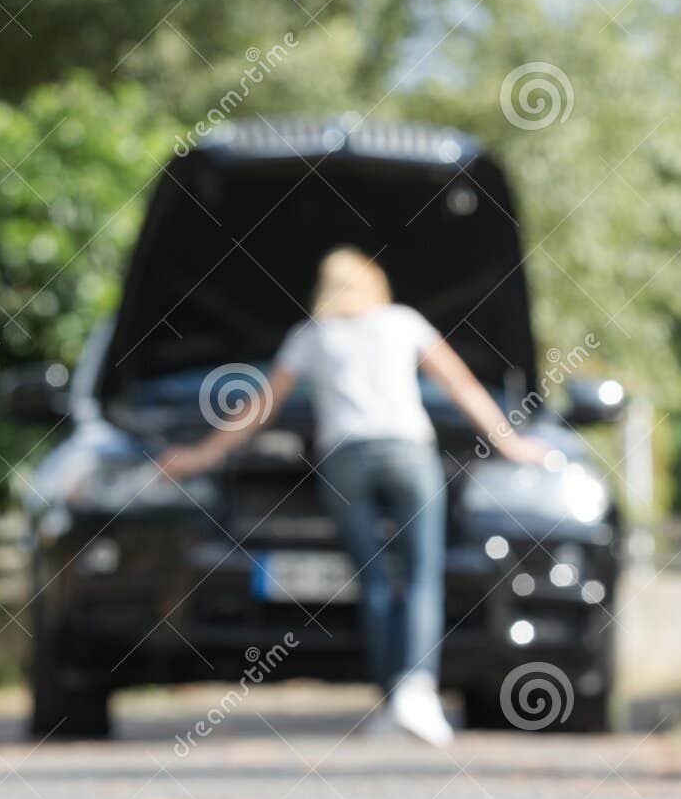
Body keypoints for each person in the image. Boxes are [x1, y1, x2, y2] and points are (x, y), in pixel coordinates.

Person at [158, 247, 546, 745]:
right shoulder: (403, 322)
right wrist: (511, 442)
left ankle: (393, 703)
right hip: (408, 453)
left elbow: (261, 407)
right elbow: (462, 387)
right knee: (421, 575)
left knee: (376, 580)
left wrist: (199, 456)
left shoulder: (312, 336)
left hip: (345, 462)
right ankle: (418, 694)